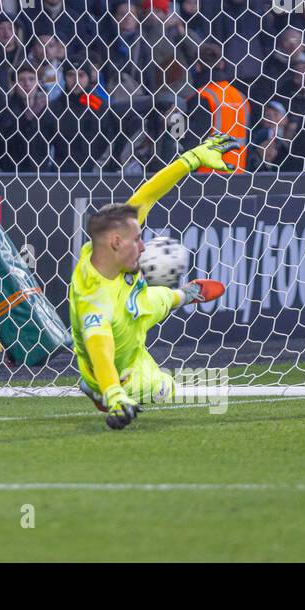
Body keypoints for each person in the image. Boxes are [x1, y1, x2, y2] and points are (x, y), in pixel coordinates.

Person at [68, 134, 236, 430]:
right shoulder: (94, 298)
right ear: (118, 243)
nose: (144, 247)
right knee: (164, 389)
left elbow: (145, 197)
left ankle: (187, 294)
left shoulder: (104, 250)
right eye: (137, 240)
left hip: (133, 317)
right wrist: (113, 393)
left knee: (151, 301)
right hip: (117, 367)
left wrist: (191, 160)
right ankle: (94, 388)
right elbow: (101, 348)